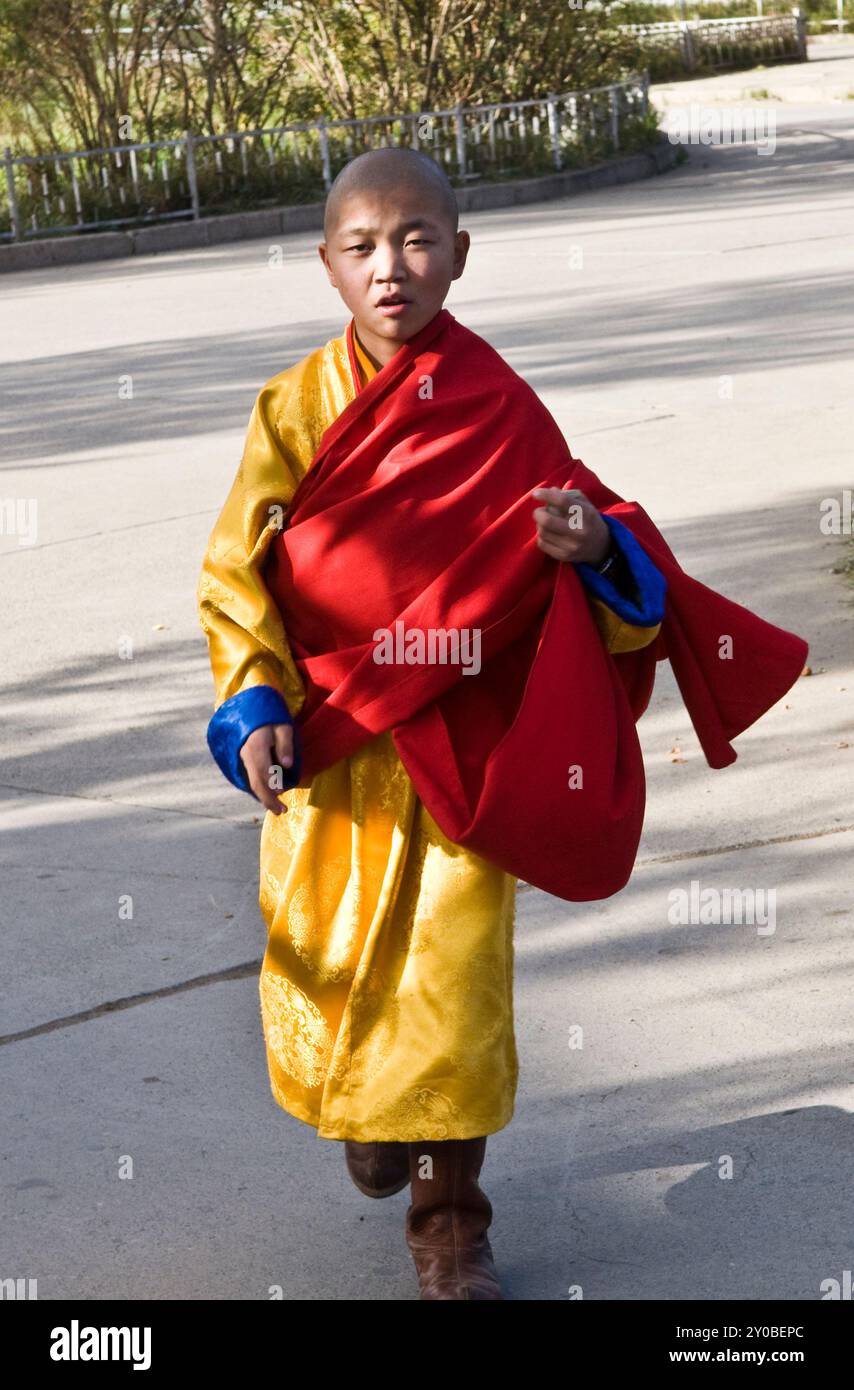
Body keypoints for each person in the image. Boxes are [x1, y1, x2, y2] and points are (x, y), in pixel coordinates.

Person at [197, 148, 807, 1301]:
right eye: (364, 247)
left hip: (456, 743)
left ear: (460, 255)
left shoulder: (498, 404)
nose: (393, 268)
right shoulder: (289, 407)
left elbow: (583, 523)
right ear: (326, 266)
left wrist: (593, 548)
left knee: (450, 994)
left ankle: (449, 1226)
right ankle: (376, 1133)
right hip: (335, 745)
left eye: (418, 239)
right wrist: (253, 696)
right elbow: (236, 572)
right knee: (324, 975)